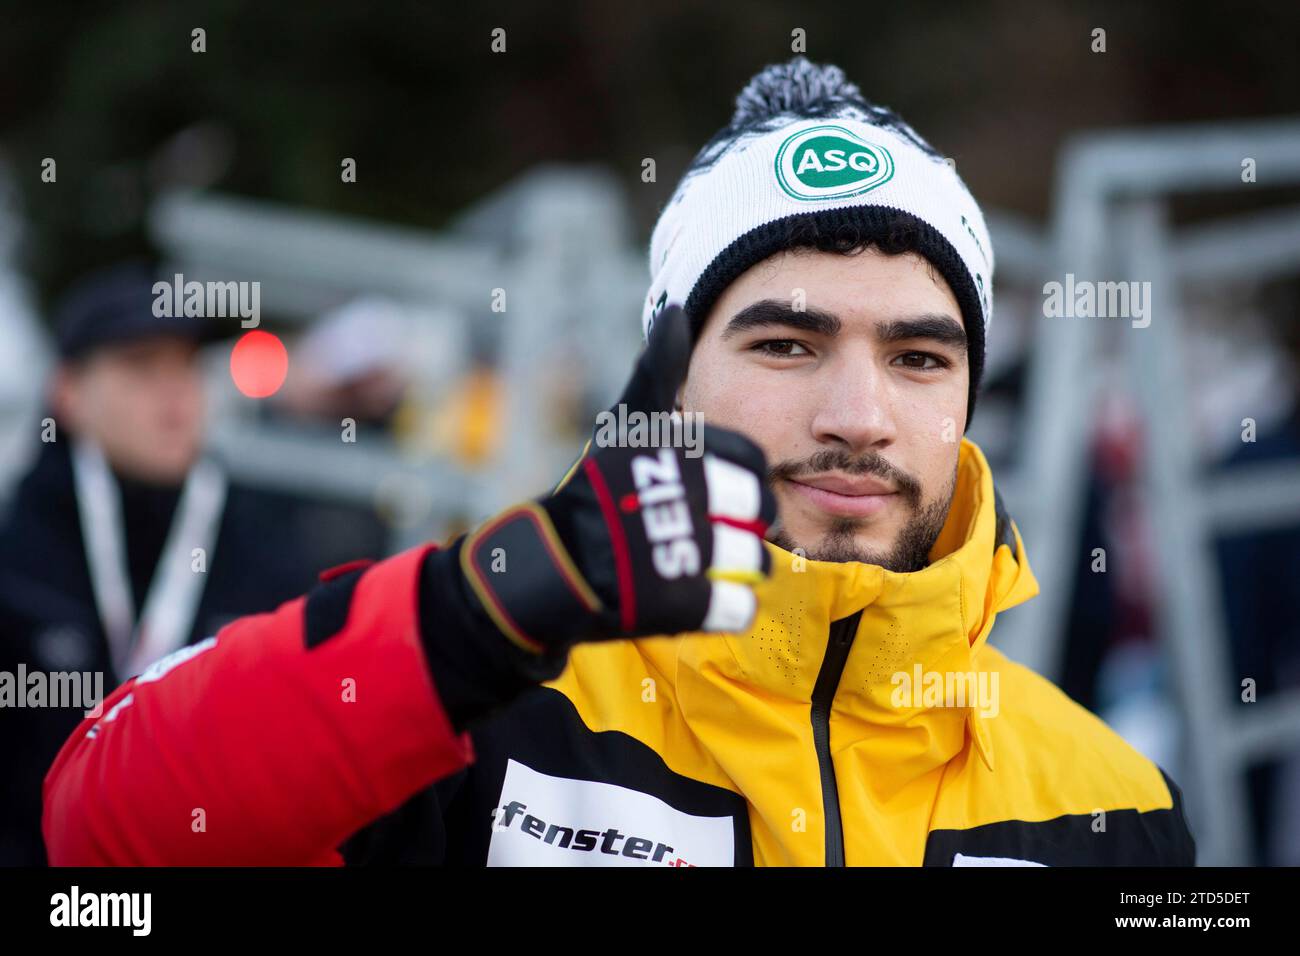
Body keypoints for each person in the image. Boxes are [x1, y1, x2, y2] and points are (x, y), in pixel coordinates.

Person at [42, 59, 1195, 866]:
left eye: (918, 356)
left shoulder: (1113, 800)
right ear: (668, 374)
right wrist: (465, 619)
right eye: (786, 343)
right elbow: (101, 831)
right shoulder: (484, 708)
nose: (860, 414)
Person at [0, 264, 327, 864]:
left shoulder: (265, 551)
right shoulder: (14, 552)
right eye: (141, 366)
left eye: (185, 365)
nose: (175, 390)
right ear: (68, 393)